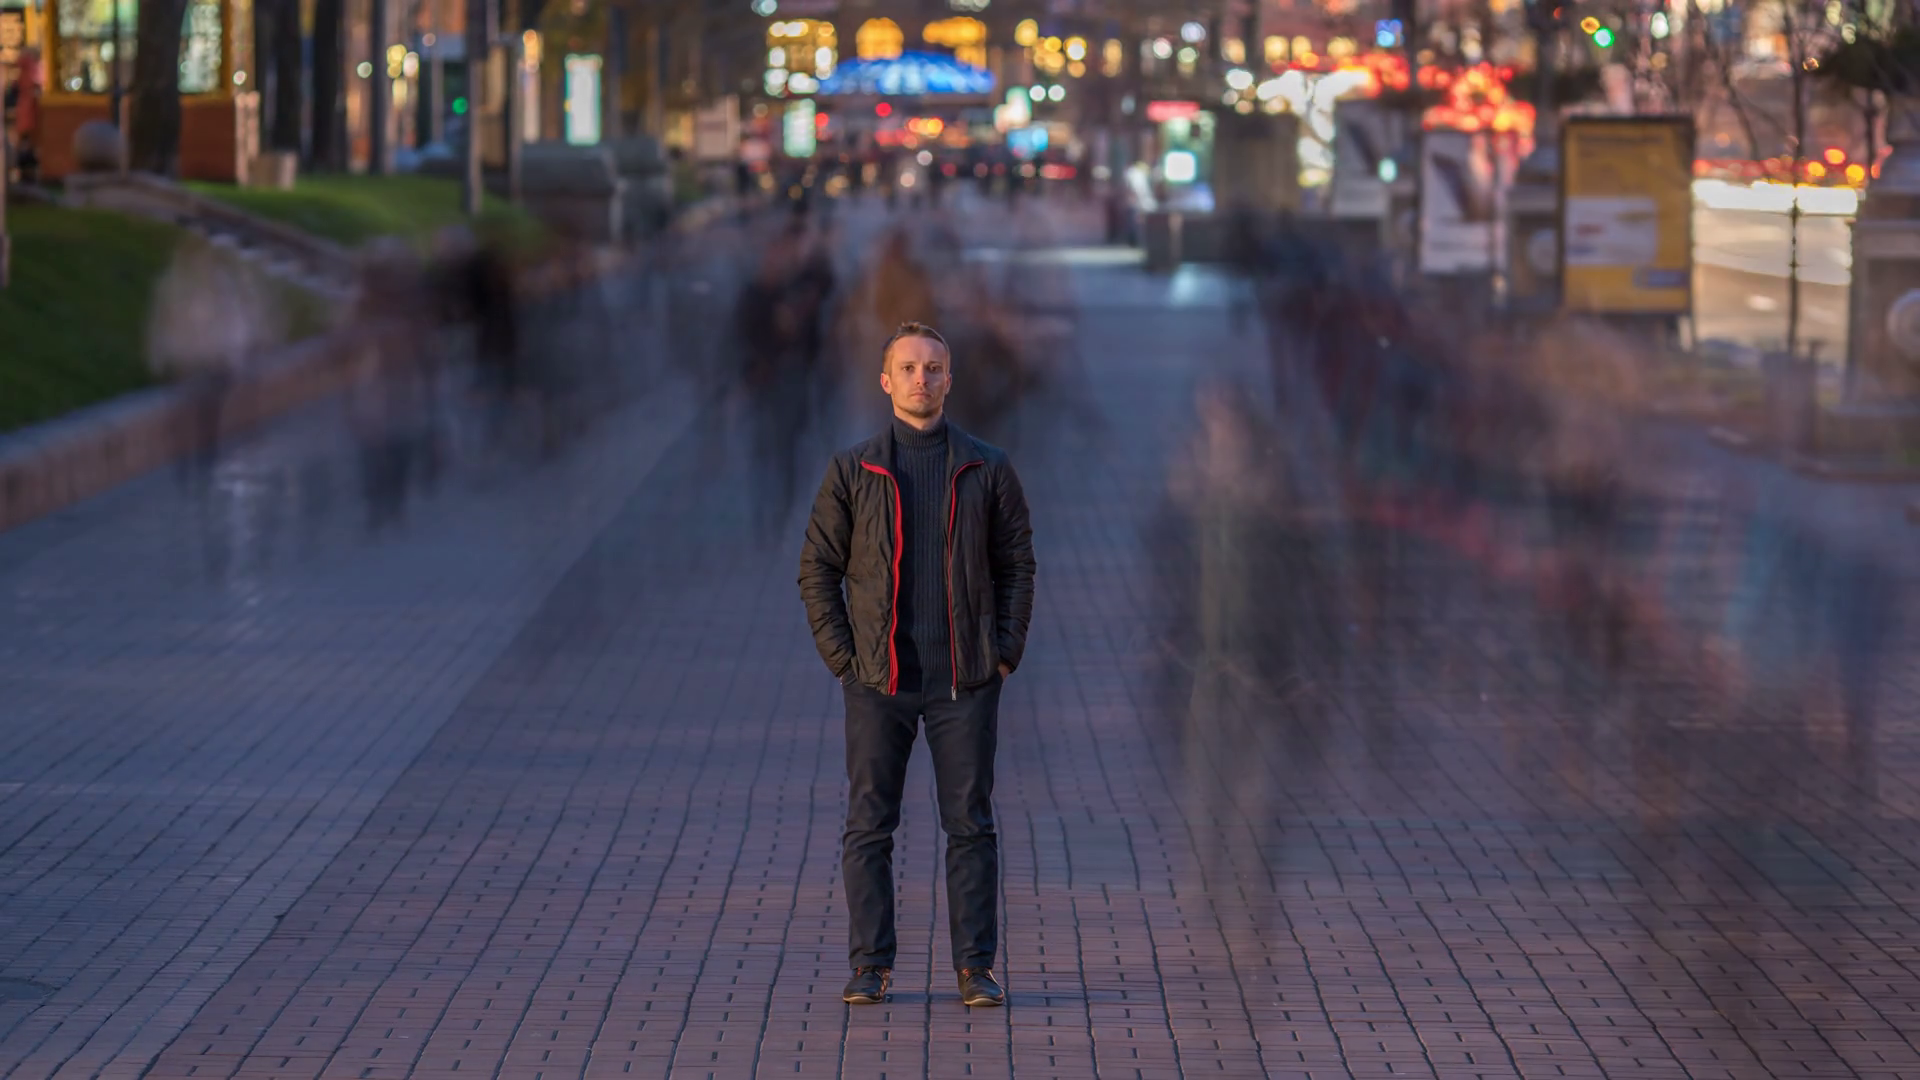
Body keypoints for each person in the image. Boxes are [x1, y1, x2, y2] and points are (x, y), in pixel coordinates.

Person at [797, 322, 1037, 1009]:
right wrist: (844, 659)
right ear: (885, 380)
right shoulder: (854, 470)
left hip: (965, 680)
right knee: (870, 825)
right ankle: (870, 966)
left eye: (934, 368)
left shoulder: (987, 467)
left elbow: (1017, 562)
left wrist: (1006, 650)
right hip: (879, 680)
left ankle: (975, 969)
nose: (921, 379)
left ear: (950, 379)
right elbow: (817, 570)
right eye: (908, 368)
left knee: (970, 825)